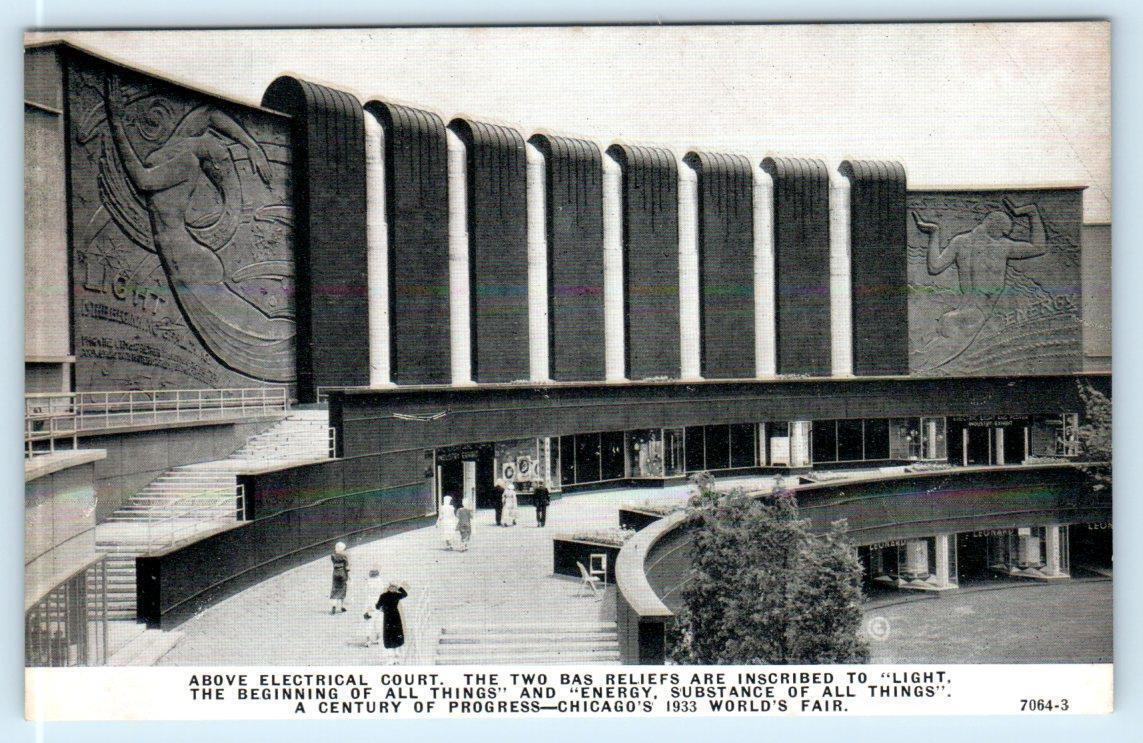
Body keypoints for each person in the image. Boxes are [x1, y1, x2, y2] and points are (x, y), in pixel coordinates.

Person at [365, 582, 409, 664]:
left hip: (389, 617)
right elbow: (404, 594)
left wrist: (382, 608)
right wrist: (399, 587)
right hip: (394, 616)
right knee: (395, 634)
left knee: (390, 634)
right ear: (389, 587)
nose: (392, 588)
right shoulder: (395, 595)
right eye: (392, 587)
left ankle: (394, 657)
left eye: (394, 587)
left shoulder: (384, 596)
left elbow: (377, 606)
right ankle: (395, 657)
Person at [329, 542, 349, 614]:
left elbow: (334, 563)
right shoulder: (344, 556)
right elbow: (347, 567)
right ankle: (342, 606)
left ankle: (334, 606)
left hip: (335, 574)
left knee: (335, 589)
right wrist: (348, 575)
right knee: (343, 589)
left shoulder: (333, 556)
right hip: (342, 573)